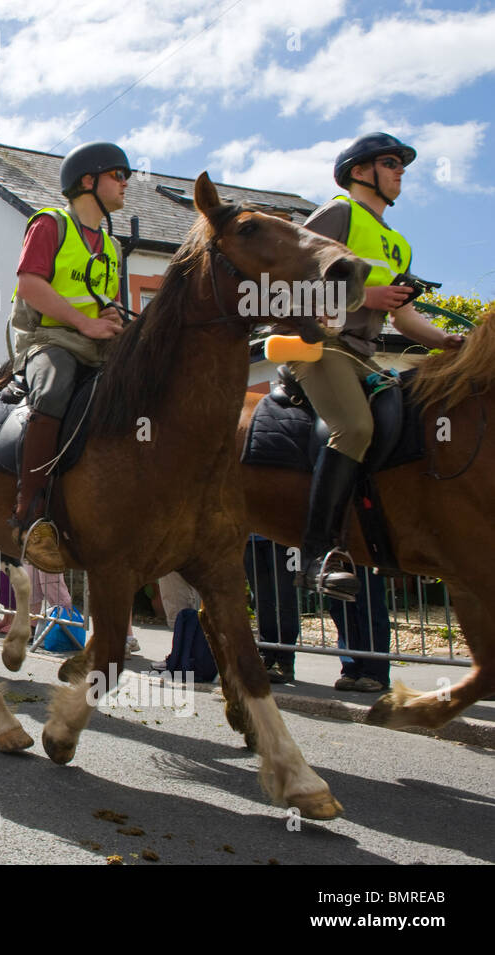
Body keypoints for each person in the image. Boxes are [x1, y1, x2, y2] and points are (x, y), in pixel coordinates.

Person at [292, 133, 464, 598]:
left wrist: (449, 340)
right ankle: (316, 555)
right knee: (353, 428)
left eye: (401, 164)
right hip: (318, 343)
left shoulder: (398, 245)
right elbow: (297, 280)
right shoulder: (338, 214)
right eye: (390, 162)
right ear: (359, 172)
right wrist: (365, 296)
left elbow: (403, 316)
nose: (400, 170)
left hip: (362, 355)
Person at [10, 141, 129, 570]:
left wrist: (112, 318)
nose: (126, 184)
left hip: (99, 345)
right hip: (49, 341)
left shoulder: (113, 248)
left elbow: (105, 302)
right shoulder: (50, 224)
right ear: (88, 181)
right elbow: (30, 285)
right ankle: (30, 513)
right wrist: (86, 323)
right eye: (118, 175)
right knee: (54, 391)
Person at [243, 536, 301, 683]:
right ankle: (266, 656)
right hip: (251, 539)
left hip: (283, 537)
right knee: (261, 601)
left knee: (286, 599)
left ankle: (285, 661)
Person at [328, 567, 391, 692]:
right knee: (341, 609)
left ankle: (374, 673)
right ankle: (351, 669)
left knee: (370, 606)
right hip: (338, 554)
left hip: (366, 556)